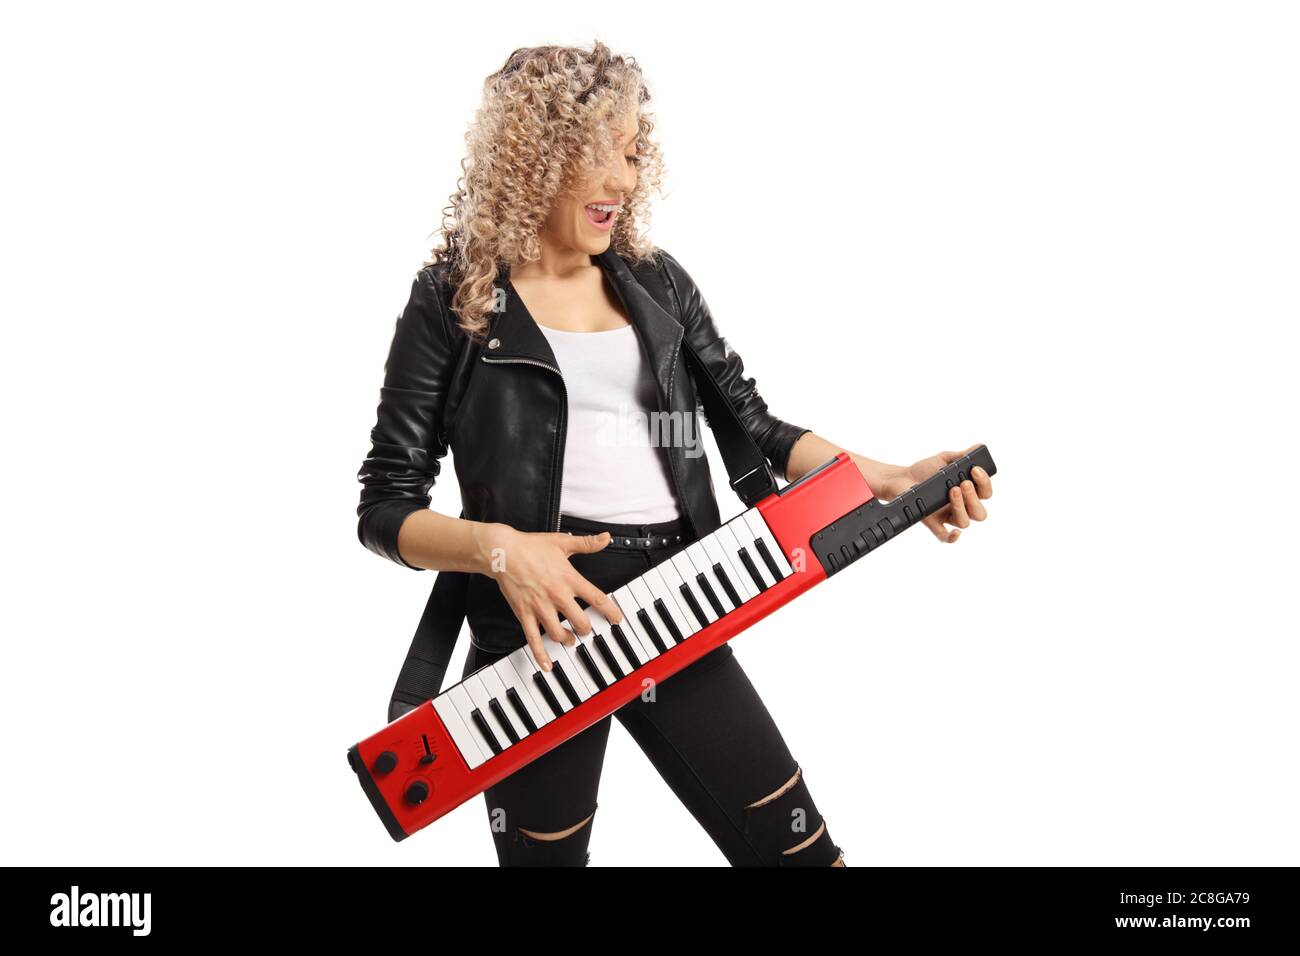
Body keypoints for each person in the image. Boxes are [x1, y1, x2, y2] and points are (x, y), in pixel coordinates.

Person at [356, 41, 993, 866]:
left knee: (803, 853)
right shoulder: (452, 298)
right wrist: (500, 550)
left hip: (684, 596)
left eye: (632, 152)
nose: (624, 178)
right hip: (538, 624)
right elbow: (385, 506)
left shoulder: (657, 283)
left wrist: (894, 479)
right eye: (601, 150)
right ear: (537, 150)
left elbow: (752, 426)